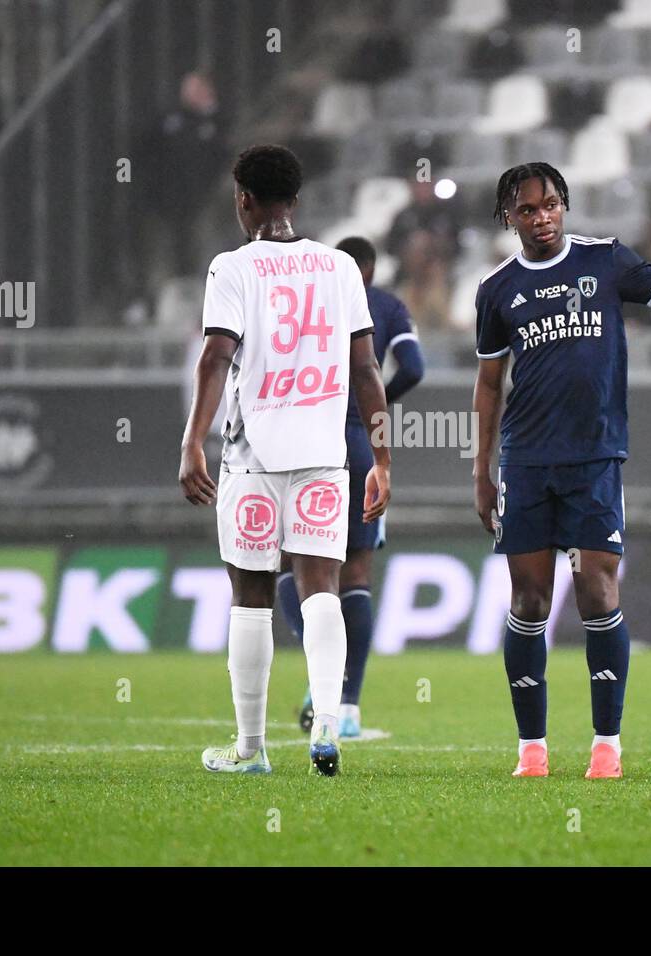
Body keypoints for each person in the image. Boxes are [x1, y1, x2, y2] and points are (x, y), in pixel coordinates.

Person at [472, 161, 651, 780]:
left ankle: (607, 746)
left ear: (564, 204)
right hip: (525, 460)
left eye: (549, 205)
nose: (541, 217)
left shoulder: (605, 260)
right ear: (508, 217)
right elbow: (488, 386)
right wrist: (481, 470)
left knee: (599, 591)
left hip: (595, 457)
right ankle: (532, 750)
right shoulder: (496, 290)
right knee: (530, 598)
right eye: (526, 209)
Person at [179, 145, 391, 777]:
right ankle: (327, 721)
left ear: (243, 199)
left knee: (251, 596)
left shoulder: (232, 268)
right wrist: (381, 457)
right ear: (296, 200)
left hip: (252, 459)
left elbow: (216, 357)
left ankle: (251, 749)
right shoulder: (340, 268)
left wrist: (193, 440)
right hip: (327, 458)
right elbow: (367, 370)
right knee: (321, 589)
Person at [278, 236, 424, 739]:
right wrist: (376, 403)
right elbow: (415, 367)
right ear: (371, 267)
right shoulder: (385, 306)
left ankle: (320, 665)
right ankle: (349, 705)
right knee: (356, 574)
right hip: (360, 440)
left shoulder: (299, 299)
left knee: (291, 563)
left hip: (300, 437)